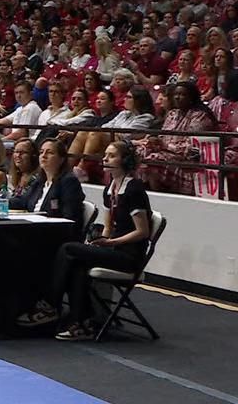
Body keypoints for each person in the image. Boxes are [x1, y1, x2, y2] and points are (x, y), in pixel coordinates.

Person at [17, 141, 152, 341]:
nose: (105, 159)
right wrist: (101, 239)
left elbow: (142, 232)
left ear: (125, 160)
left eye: (111, 156)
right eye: (105, 154)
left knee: (68, 249)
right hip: (113, 248)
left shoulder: (133, 189)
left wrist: (112, 243)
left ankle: (50, 304)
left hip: (129, 254)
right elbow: (108, 225)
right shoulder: (110, 188)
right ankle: (82, 322)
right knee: (77, 264)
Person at [8, 138, 84, 231]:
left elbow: (70, 218)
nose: (43, 156)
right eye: (41, 152)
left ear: (61, 159)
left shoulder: (68, 182)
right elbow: (22, 201)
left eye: (49, 153)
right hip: (33, 228)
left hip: (52, 232)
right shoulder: (40, 181)